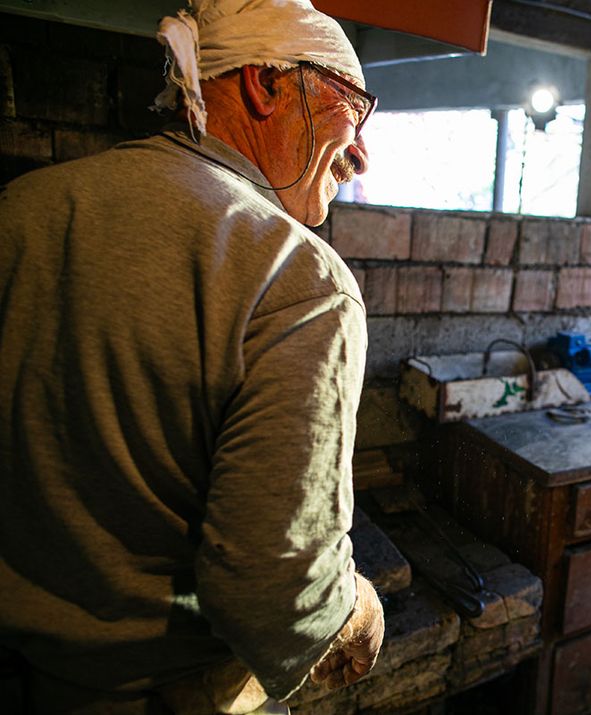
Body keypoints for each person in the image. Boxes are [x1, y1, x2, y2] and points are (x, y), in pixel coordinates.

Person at [0, 0, 384, 711]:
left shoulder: (21, 210)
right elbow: (277, 589)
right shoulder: (299, 277)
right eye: (352, 106)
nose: (362, 152)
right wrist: (359, 610)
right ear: (265, 85)